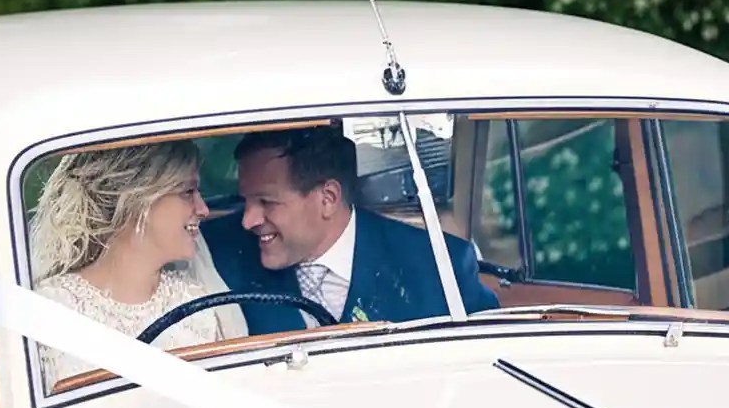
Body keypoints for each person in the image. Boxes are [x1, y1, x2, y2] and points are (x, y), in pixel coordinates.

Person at [200, 126, 498, 334]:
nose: (248, 220)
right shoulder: (213, 252)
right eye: (246, 201)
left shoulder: (441, 268)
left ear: (328, 198)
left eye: (267, 202)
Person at [28, 141, 246, 391]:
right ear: (139, 199)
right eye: (188, 192)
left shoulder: (198, 307)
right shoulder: (49, 308)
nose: (203, 209)